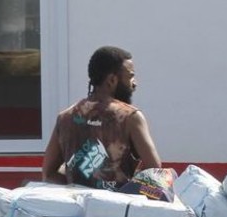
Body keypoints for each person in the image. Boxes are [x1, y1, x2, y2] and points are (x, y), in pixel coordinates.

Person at [42, 45, 163, 188]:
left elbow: (48, 174)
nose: (135, 83)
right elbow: (154, 171)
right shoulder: (130, 117)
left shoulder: (65, 117)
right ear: (112, 80)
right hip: (117, 208)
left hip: (78, 208)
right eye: (130, 76)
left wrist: (79, 189)